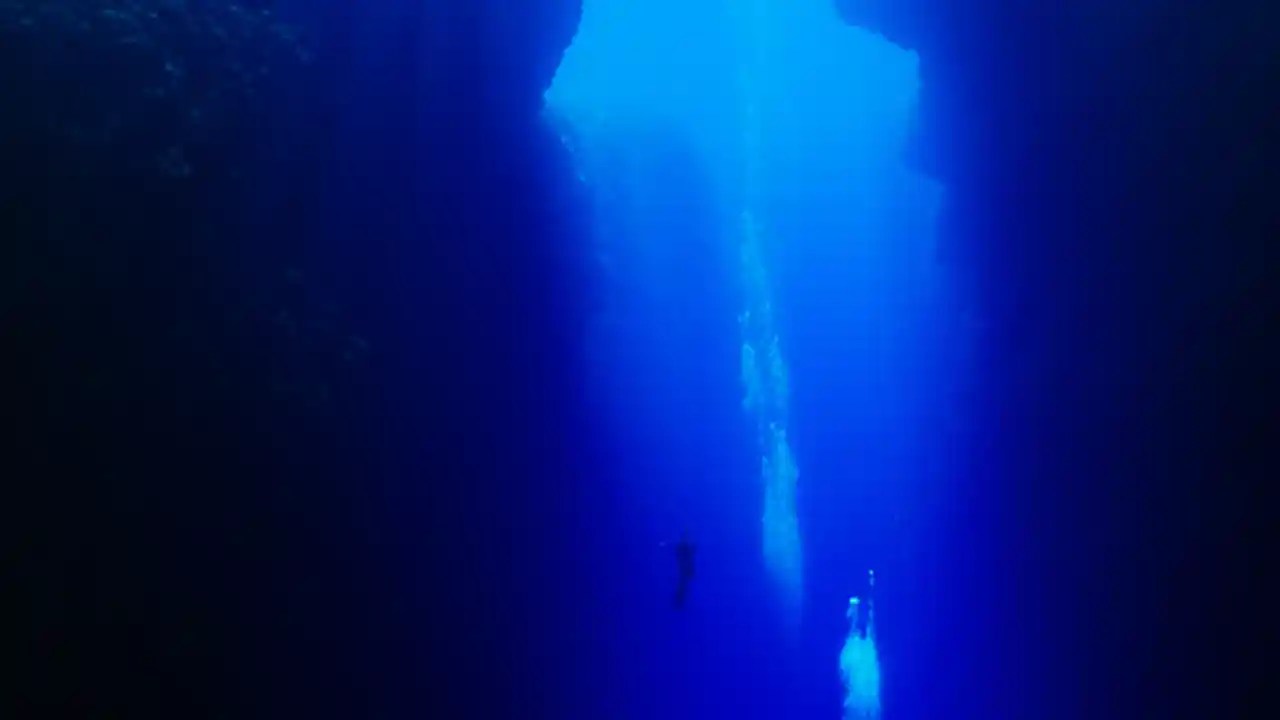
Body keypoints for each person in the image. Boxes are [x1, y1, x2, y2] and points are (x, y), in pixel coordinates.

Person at [662, 532, 697, 609]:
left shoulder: (683, 547)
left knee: (683, 582)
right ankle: (679, 600)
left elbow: (691, 552)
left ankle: (679, 600)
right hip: (685, 568)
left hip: (685, 568)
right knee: (683, 582)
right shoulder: (683, 547)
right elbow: (690, 552)